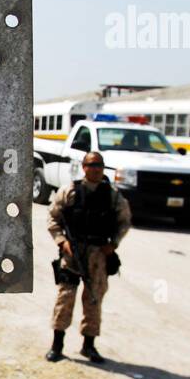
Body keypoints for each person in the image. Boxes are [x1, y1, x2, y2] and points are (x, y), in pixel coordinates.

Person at [45, 152, 132, 363]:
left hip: (98, 254)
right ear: (84, 167)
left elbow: (124, 221)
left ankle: (89, 345)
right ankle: (57, 345)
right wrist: (62, 242)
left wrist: (113, 244)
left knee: (93, 298)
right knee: (65, 298)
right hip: (73, 252)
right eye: (91, 165)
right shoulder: (70, 191)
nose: (96, 169)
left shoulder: (112, 195)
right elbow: (52, 218)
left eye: (99, 165)